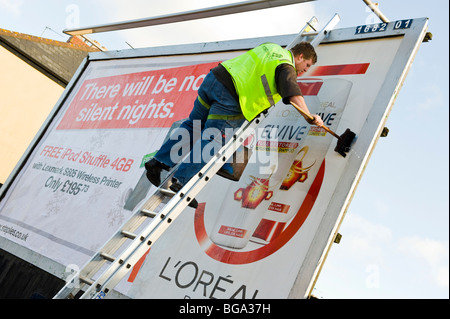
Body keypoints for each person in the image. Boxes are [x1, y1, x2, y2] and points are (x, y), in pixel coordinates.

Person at [145, 41, 323, 195]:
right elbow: (293, 92)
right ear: (299, 56)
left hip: (214, 80)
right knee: (212, 140)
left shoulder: (271, 48)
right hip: (231, 98)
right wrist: (310, 117)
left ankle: (158, 162)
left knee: (193, 126)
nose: (304, 71)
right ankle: (180, 182)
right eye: (306, 66)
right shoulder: (286, 66)